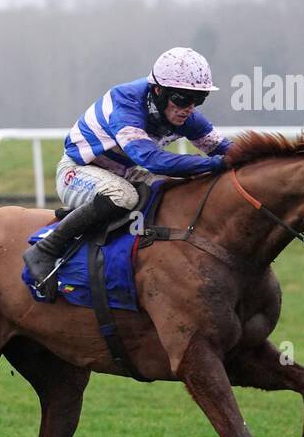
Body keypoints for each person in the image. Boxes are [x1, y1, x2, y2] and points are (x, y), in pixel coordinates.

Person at [22, 46, 232, 296]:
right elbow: (151, 159)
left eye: (198, 99)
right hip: (78, 171)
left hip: (123, 172)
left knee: (175, 190)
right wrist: (213, 164)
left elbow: (226, 150)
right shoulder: (127, 102)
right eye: (182, 99)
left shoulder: (185, 115)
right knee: (124, 197)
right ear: (158, 91)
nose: (189, 108)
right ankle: (45, 250)